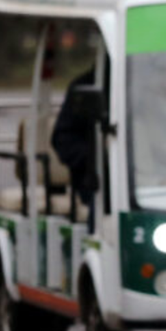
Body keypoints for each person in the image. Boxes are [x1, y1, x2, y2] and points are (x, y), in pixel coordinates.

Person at [52, 65, 107, 228]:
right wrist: (97, 158)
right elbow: (62, 139)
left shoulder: (148, 83)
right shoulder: (85, 87)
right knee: (101, 208)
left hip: (146, 181)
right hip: (97, 183)